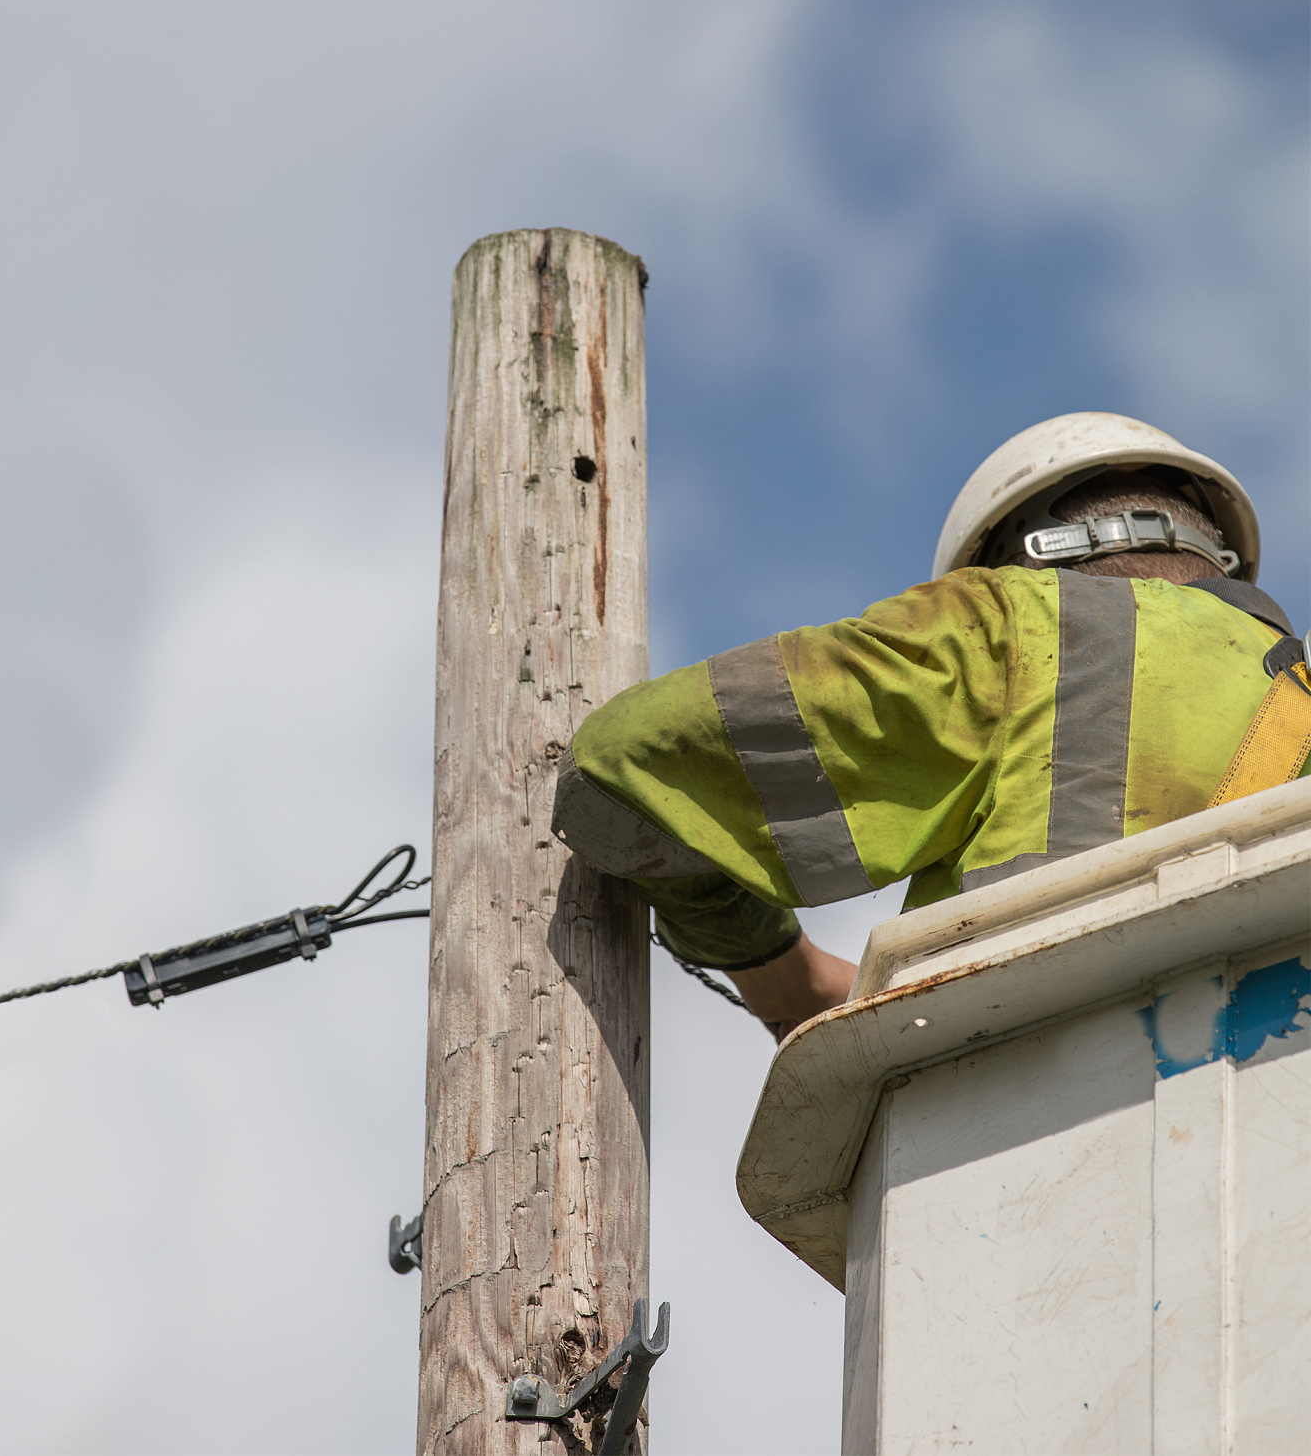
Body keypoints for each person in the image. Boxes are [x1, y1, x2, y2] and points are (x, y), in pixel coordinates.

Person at [550, 412, 1305, 1043]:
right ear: (1221, 562)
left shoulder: (1012, 630)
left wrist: (788, 981)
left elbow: (624, 769)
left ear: (1017, 560)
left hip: (1020, 1155)